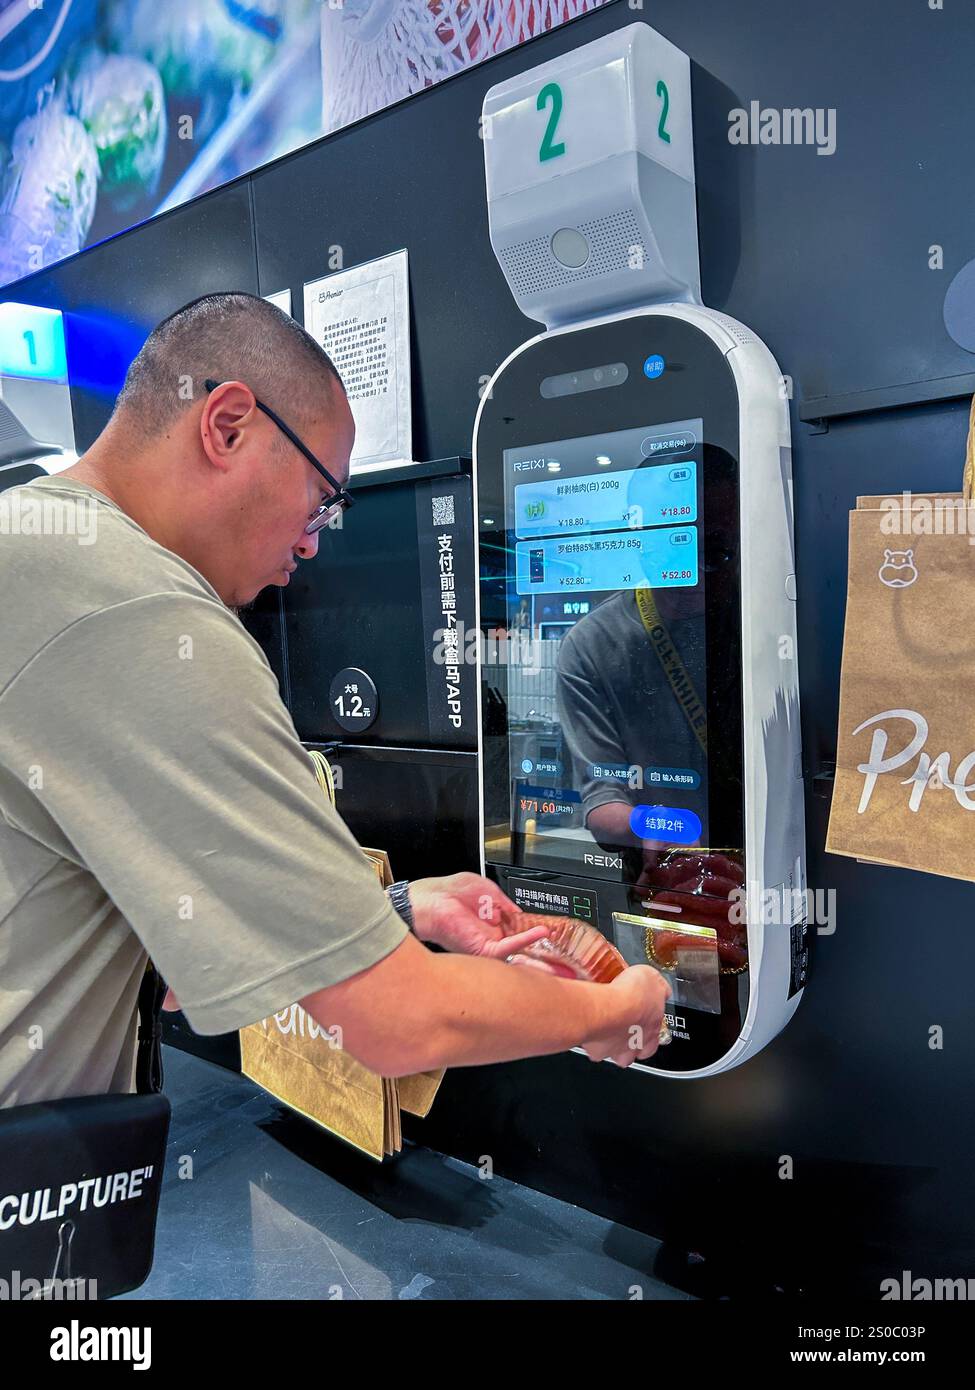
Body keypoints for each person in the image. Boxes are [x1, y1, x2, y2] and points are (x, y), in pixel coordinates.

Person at [0, 292, 669, 1107]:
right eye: (322, 495)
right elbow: (397, 1021)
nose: (312, 542)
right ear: (228, 424)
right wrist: (609, 1008)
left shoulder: (33, 547)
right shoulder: (141, 615)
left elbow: (164, 949)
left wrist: (394, 905)